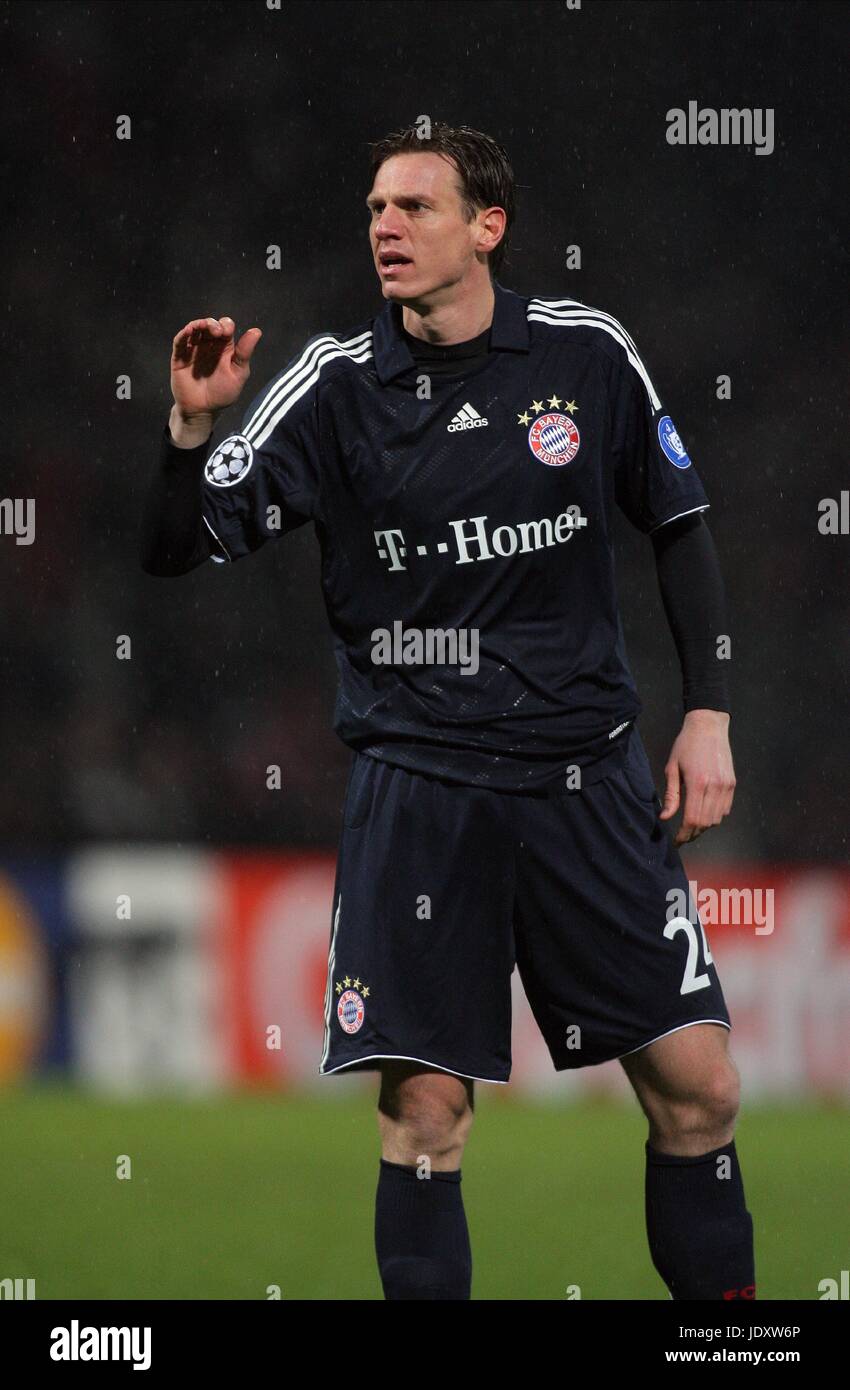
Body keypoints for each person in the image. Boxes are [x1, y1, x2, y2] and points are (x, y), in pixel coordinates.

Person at [140, 122, 754, 1301]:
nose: (385, 226)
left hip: (588, 782)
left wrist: (709, 712)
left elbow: (678, 527)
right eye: (375, 206)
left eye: (415, 207)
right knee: (424, 1116)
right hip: (422, 791)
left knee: (702, 1091)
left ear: (488, 227)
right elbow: (175, 549)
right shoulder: (330, 388)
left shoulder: (584, 354)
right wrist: (190, 427)